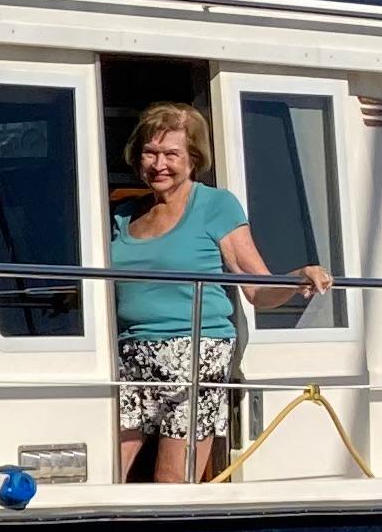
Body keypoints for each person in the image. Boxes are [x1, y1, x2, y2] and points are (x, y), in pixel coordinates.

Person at [109, 103, 330, 482]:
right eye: (150, 152)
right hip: (129, 353)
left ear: (193, 159)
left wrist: (299, 277)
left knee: (170, 481)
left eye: (171, 155)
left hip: (194, 352)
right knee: (108, 471)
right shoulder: (123, 214)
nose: (159, 164)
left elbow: (257, 289)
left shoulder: (216, 206)